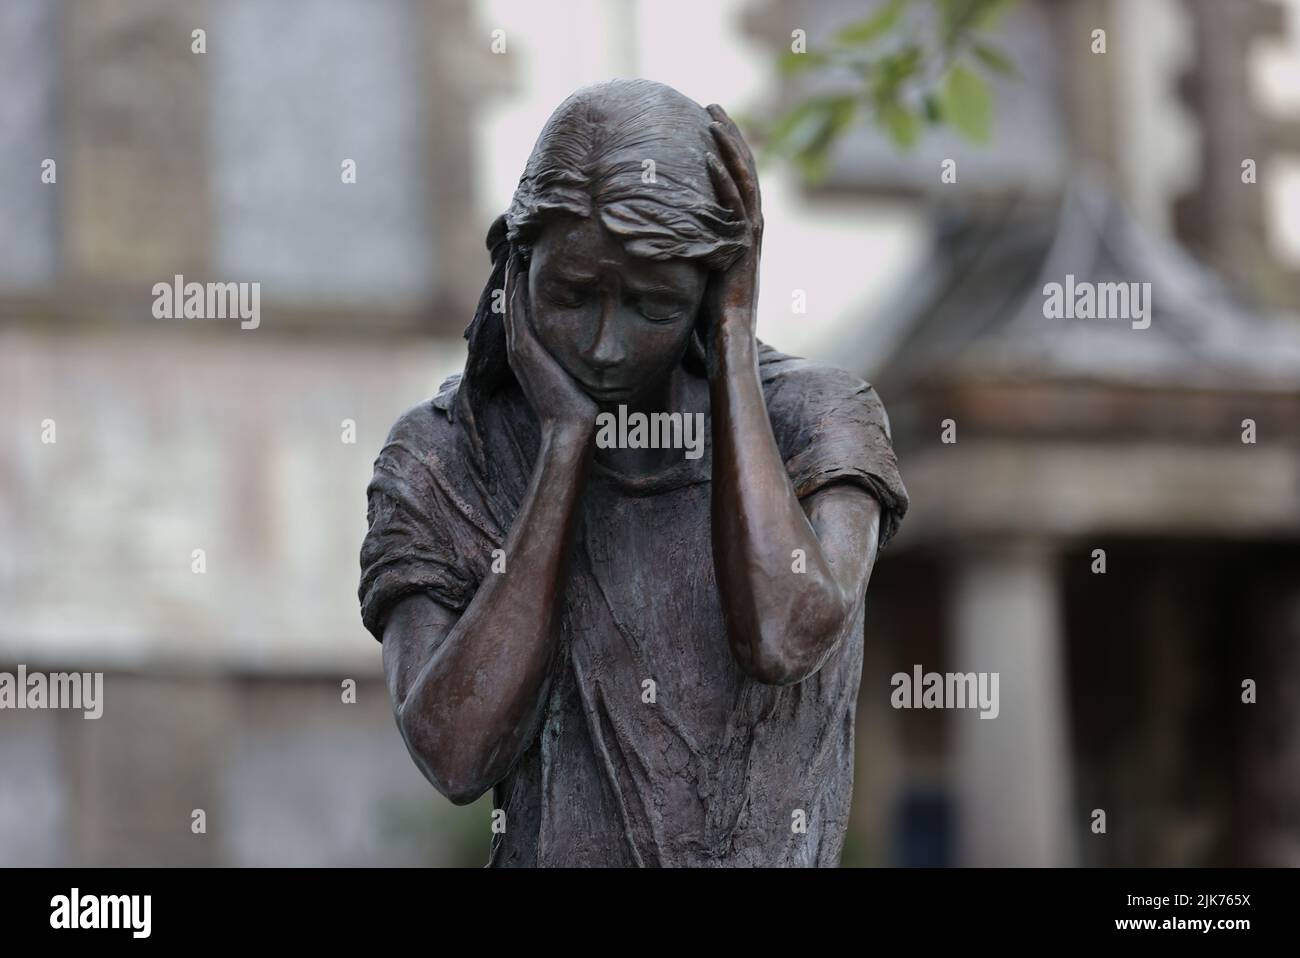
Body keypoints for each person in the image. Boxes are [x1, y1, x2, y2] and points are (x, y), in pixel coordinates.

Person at [359, 78, 908, 866]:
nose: (605, 345)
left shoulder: (816, 420)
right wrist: (561, 448)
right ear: (516, 270)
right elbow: (454, 752)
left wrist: (732, 350)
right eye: (572, 295)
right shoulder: (448, 453)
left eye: (653, 307)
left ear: (715, 290)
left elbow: (784, 636)